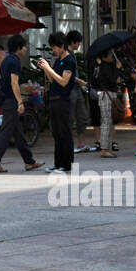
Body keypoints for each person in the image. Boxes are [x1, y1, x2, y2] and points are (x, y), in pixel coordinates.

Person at [0, 33, 45, 173]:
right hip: (11, 101)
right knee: (5, 132)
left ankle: (29, 162)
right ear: (19, 48)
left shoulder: (7, 60)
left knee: (18, 133)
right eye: (24, 46)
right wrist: (20, 102)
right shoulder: (14, 61)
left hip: (6, 100)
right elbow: (14, 84)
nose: (26, 49)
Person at [38, 32, 77, 172]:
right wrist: (46, 68)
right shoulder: (59, 60)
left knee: (65, 132)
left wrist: (49, 69)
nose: (53, 50)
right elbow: (52, 80)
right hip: (54, 100)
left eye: (54, 47)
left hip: (63, 101)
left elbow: (64, 81)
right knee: (56, 133)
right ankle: (58, 163)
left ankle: (66, 164)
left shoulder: (69, 60)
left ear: (61, 46)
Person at [93, 47, 123, 158]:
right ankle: (104, 149)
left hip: (106, 95)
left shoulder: (105, 66)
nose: (112, 56)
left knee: (107, 122)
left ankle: (105, 148)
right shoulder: (104, 67)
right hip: (107, 96)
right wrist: (117, 69)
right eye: (110, 54)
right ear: (104, 57)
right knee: (106, 122)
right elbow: (112, 80)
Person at [66, 30, 92, 153]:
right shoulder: (65, 54)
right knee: (70, 117)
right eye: (78, 42)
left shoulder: (72, 54)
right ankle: (69, 144)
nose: (79, 45)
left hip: (77, 89)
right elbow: (66, 74)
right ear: (72, 42)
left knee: (82, 116)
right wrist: (79, 81)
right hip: (70, 89)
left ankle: (81, 143)